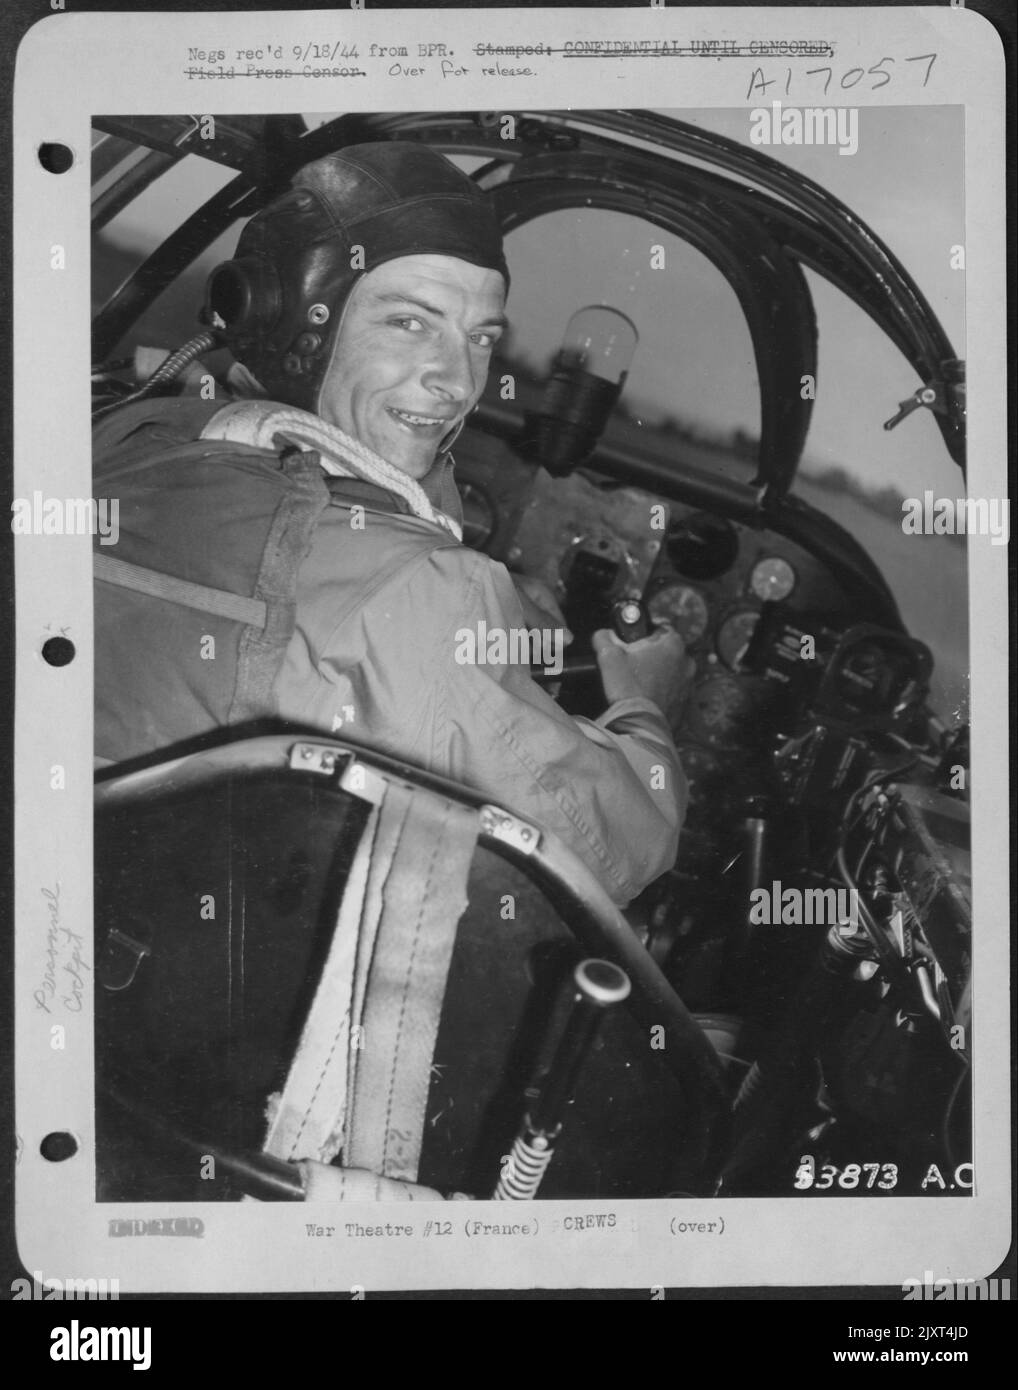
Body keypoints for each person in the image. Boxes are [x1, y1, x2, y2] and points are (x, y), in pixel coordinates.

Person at [93, 141, 693, 906]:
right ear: (292, 321)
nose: (458, 379)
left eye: (481, 336)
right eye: (410, 322)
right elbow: (616, 855)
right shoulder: (421, 595)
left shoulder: (128, 434)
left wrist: (495, 614)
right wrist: (648, 707)